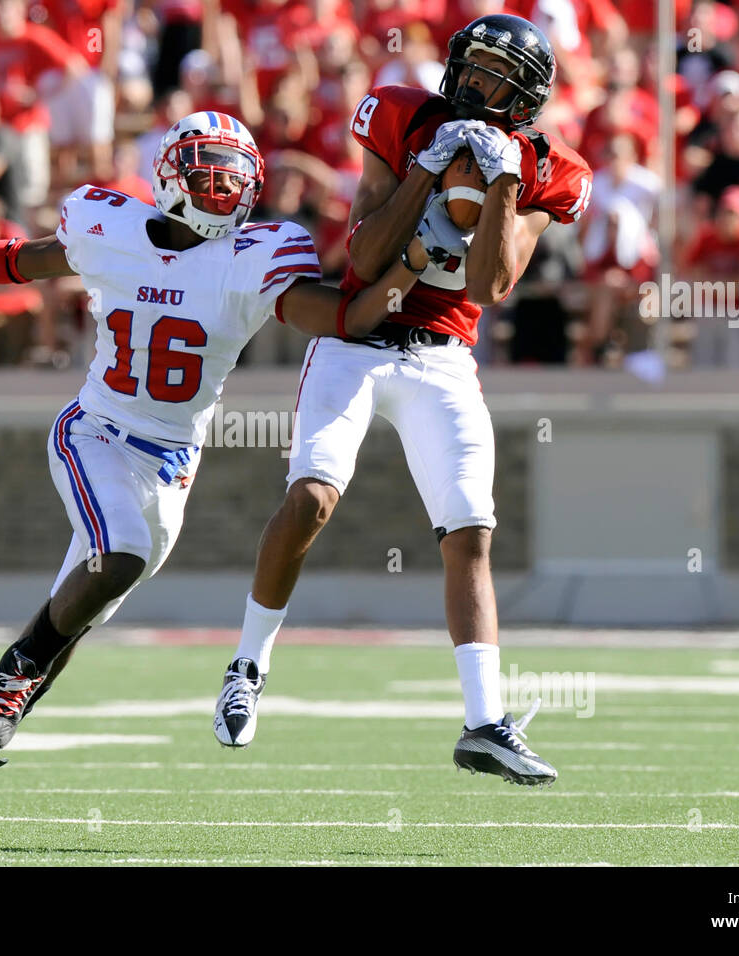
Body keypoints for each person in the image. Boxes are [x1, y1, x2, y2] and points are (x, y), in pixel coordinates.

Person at [0, 110, 472, 840]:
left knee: (70, 623)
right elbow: (15, 260)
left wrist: (413, 264)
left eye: (234, 176)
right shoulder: (112, 229)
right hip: (95, 434)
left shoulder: (251, 258)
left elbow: (350, 320)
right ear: (170, 174)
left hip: (172, 466)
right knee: (120, 554)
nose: (223, 188)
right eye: (210, 172)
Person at [209, 14, 592, 788]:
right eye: (469, 65)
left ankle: (484, 723)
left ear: (524, 98)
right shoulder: (402, 117)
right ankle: (247, 666)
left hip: (443, 355)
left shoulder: (550, 168)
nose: (472, 83)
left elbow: (489, 284)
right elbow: (362, 250)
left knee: (470, 530)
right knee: (311, 498)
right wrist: (427, 168)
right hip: (357, 338)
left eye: (493, 77)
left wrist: (503, 184)